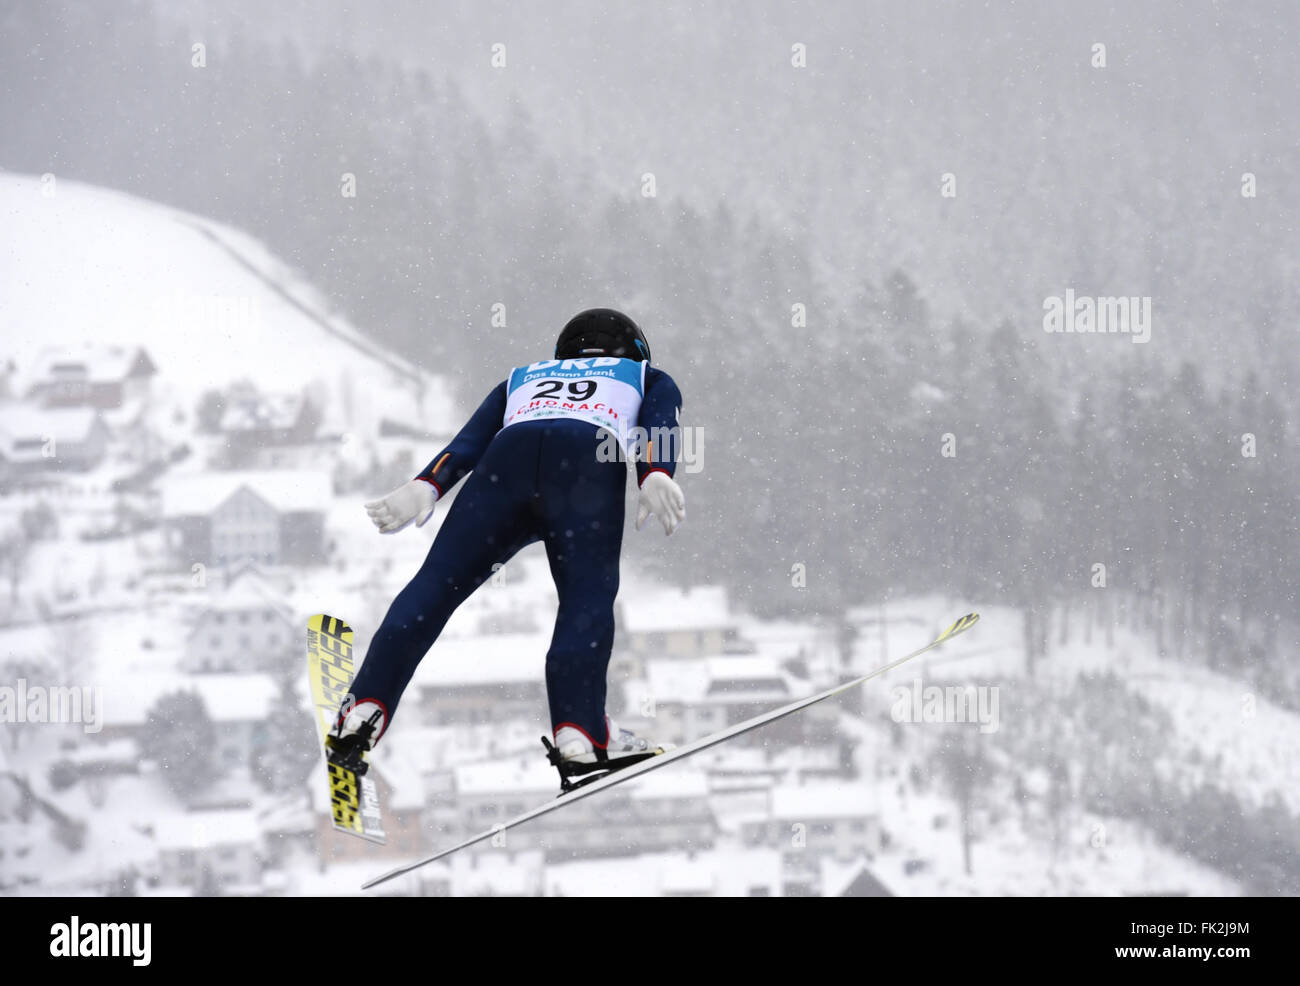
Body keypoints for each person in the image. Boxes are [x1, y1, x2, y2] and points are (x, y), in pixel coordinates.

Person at [327, 308, 686, 776]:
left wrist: (427, 484)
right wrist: (656, 471)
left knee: (433, 588)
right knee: (585, 603)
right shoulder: (646, 375)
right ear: (635, 349)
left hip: (505, 463)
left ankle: (363, 710)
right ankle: (578, 734)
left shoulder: (522, 377)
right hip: (584, 464)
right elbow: (661, 418)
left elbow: (471, 438)